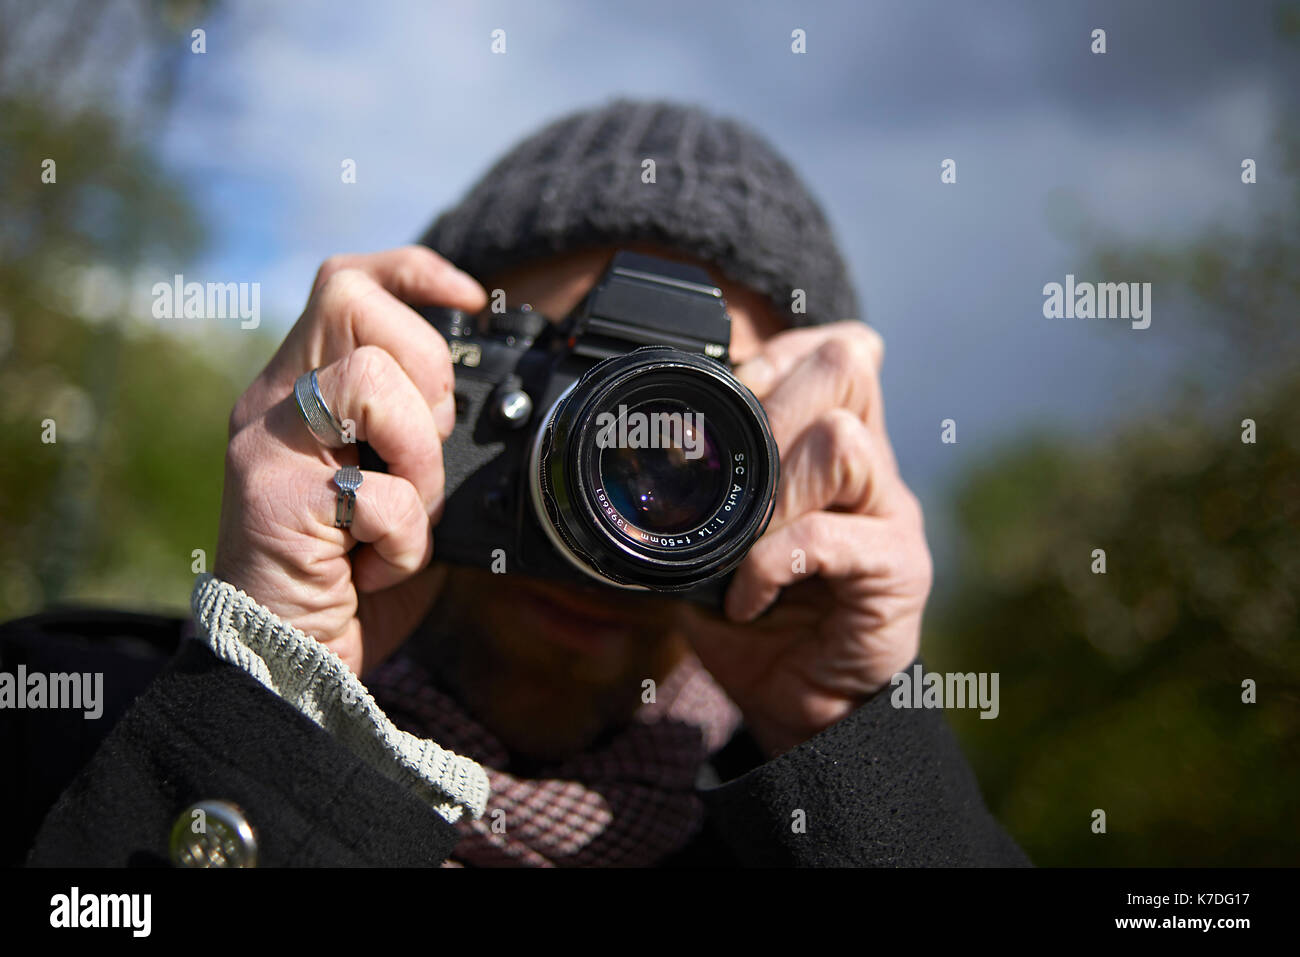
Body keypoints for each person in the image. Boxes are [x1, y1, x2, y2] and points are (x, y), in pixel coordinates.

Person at [4, 98, 1029, 867]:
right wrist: (270, 706)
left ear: (795, 472)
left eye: (698, 429)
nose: (617, 496)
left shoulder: (798, 838)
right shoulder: (62, 726)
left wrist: (852, 753)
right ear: (407, 371)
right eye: (557, 392)